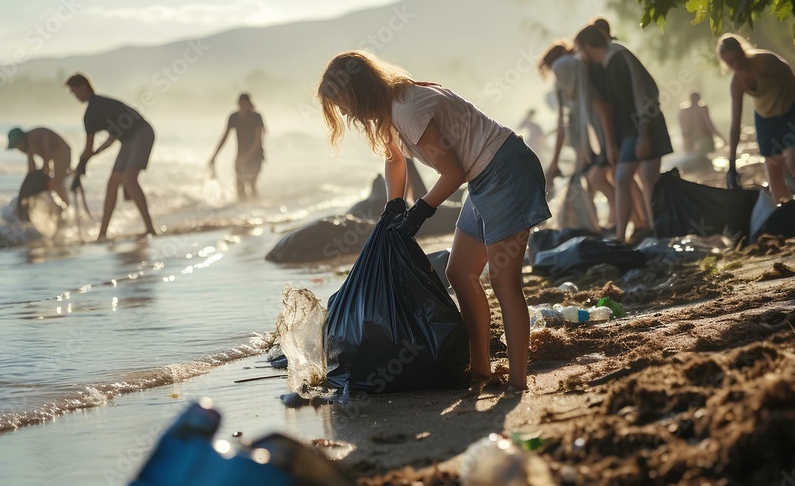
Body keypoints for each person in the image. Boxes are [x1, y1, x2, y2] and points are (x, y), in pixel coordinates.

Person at [317, 51, 550, 391]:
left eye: (343, 104)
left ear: (358, 91)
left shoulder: (406, 109)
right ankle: (481, 371)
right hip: (482, 178)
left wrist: (421, 211)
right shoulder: (391, 106)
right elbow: (395, 160)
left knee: (504, 282)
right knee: (460, 273)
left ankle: (517, 383)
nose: (345, 113)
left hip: (506, 171)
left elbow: (452, 172)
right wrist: (394, 205)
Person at [717, 34, 795, 229]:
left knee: (794, 164)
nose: (736, 64)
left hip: (793, 109)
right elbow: (735, 126)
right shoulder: (737, 84)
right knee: (773, 168)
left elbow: (793, 80)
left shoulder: (766, 61)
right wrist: (731, 165)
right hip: (766, 118)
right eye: (730, 62)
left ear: (743, 51)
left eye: (738, 58)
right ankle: (785, 219)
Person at [575, 24, 674, 243]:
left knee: (648, 180)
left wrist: (644, 135)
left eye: (580, 50)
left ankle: (658, 234)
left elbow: (645, 94)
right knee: (625, 178)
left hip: (647, 127)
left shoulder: (621, 56)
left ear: (588, 46)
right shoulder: (605, 65)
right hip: (632, 132)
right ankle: (624, 238)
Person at [65, 73, 156, 240]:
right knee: (113, 182)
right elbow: (110, 140)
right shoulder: (99, 105)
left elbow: (88, 148)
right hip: (127, 139)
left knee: (129, 178)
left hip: (142, 132)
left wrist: (82, 163)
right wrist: (89, 158)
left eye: (74, 91)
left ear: (83, 87)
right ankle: (102, 234)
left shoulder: (93, 110)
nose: (74, 96)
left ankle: (150, 229)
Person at [538, 42, 616, 230]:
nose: (558, 81)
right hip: (584, 148)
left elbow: (603, 114)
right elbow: (562, 126)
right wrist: (554, 162)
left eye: (559, 76)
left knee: (596, 179)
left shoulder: (585, 92)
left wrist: (609, 146)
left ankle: (618, 220)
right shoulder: (567, 96)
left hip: (597, 145)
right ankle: (598, 224)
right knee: (589, 183)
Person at [209, 93, 266, 200]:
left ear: (249, 104)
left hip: (256, 156)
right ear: (238, 104)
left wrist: (245, 158)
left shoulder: (256, 117)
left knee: (251, 183)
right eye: (241, 103)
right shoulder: (233, 117)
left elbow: (257, 142)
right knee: (239, 185)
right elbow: (224, 137)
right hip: (240, 155)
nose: (243, 106)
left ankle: (256, 206)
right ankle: (242, 207)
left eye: (245, 103)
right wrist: (214, 156)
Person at [7, 126, 72, 206]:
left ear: (21, 141)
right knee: (50, 182)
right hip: (55, 156)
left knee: (56, 183)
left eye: (17, 146)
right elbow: (31, 167)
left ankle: (67, 205)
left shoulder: (32, 137)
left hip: (61, 151)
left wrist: (47, 161)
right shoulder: (29, 146)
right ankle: (62, 204)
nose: (19, 150)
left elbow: (47, 137)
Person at [678, 92, 726, 157]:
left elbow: (684, 129)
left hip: (695, 139)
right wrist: (721, 137)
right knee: (701, 156)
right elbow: (709, 124)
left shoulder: (685, 111)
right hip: (701, 139)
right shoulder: (700, 109)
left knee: (697, 156)